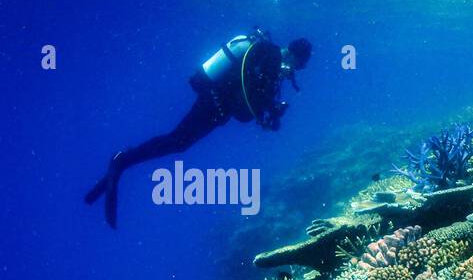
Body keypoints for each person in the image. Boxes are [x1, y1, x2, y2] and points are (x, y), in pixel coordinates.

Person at [85, 31, 311, 227]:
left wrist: (272, 111)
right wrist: (268, 109)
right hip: (213, 103)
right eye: (298, 65)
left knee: (178, 142)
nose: (294, 71)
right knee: (177, 140)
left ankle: (124, 161)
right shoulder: (269, 55)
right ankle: (122, 159)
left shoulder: (268, 61)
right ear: (292, 54)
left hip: (217, 108)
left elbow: (252, 101)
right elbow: (249, 103)